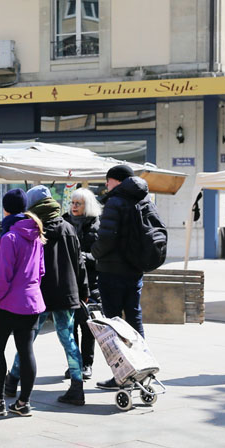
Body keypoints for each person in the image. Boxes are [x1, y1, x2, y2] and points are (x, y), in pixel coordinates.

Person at [7, 186, 87, 406]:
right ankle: (77, 387)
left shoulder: (33, 229)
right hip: (66, 292)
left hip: (38, 292)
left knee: (27, 338)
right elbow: (80, 262)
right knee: (68, 338)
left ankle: (12, 380)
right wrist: (83, 291)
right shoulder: (68, 227)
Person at [0, 189, 45, 417]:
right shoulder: (37, 234)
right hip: (32, 303)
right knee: (26, 352)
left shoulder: (9, 237)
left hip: (7, 305)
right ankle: (24, 403)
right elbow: (41, 271)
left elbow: (2, 278)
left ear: (5, 209)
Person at [91, 165, 158, 390]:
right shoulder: (145, 199)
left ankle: (122, 373)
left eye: (108, 181)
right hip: (135, 269)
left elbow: (106, 238)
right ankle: (143, 367)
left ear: (116, 181)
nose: (106, 185)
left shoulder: (115, 202)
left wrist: (94, 253)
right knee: (134, 317)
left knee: (113, 324)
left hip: (112, 270)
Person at [65, 188, 103, 380]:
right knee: (69, 327)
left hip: (90, 283)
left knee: (87, 326)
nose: (73, 207)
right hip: (68, 283)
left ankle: (87, 363)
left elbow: (102, 257)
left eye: (78, 204)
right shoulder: (64, 221)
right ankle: (74, 363)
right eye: (72, 203)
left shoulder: (97, 225)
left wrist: (84, 257)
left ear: (86, 205)